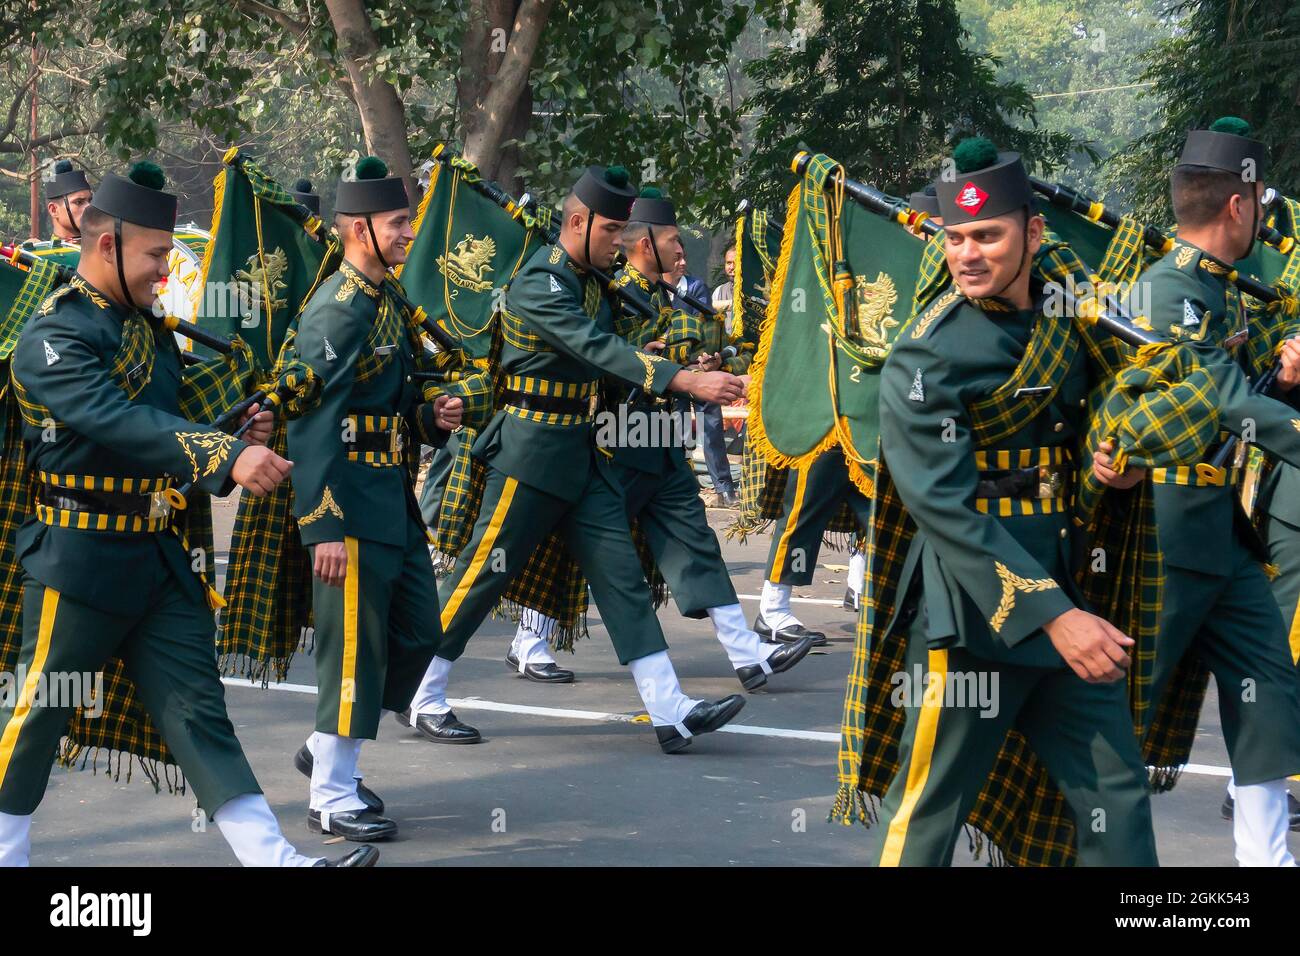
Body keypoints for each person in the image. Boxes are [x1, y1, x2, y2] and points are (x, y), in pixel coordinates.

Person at [0, 161, 372, 867]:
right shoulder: (53, 337)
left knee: (199, 714)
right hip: (78, 561)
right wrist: (223, 457)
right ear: (106, 246)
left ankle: (277, 861)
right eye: (154, 255)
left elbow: (167, 421)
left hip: (156, 560)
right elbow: (114, 419)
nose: (165, 272)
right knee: (38, 715)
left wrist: (236, 436)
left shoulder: (147, 328)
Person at [863, 137, 1159, 865]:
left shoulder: (1068, 315)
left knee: (1116, 795)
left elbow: (1081, 432)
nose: (966, 254)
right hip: (975, 620)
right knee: (929, 809)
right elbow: (946, 511)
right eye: (954, 237)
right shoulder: (926, 354)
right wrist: (1054, 619)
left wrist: (1111, 471)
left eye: (987, 235)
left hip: (1065, 588)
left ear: (1032, 232)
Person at [403, 165, 750, 753]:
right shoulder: (541, 283)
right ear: (576, 222)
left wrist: (683, 353)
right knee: (481, 575)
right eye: (612, 230)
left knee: (622, 583)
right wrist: (686, 380)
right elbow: (598, 348)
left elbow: (631, 342)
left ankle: (671, 710)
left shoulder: (594, 283)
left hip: (584, 456)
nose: (620, 242)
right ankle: (420, 693)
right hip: (530, 456)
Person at [507, 188, 814, 692]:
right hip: (618, 440)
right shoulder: (606, 290)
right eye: (672, 239)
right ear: (644, 244)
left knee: (696, 541)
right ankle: (528, 641)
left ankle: (747, 652)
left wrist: (712, 365)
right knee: (573, 547)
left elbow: (725, 350)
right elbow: (598, 354)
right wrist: (657, 361)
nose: (680, 250)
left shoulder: (675, 295)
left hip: (662, 439)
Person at [1118, 117, 1300, 865]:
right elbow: (1223, 402)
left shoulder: (1216, 291)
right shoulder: (1168, 292)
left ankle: (1268, 861)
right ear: (1239, 205)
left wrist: (1283, 373)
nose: (1264, 218)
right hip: (1163, 534)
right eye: (1260, 204)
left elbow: (1242, 392)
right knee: (1120, 715)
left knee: (1269, 694)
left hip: (1221, 534)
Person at [286, 157, 463, 843]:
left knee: (420, 631)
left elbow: (399, 394)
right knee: (354, 651)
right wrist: (322, 523)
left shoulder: (387, 299)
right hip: (349, 503)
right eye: (397, 223)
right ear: (357, 228)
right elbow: (312, 421)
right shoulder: (337, 306)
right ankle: (331, 795)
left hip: (391, 494)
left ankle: (323, 746)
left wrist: (430, 415)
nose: (408, 233)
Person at [668, 255, 737, 506]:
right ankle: (682, 483)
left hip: (698, 365)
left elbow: (703, 329)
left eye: (684, 256)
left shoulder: (695, 287)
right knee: (675, 426)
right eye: (676, 258)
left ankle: (724, 487)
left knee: (711, 425)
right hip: (668, 369)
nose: (683, 262)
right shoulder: (652, 288)